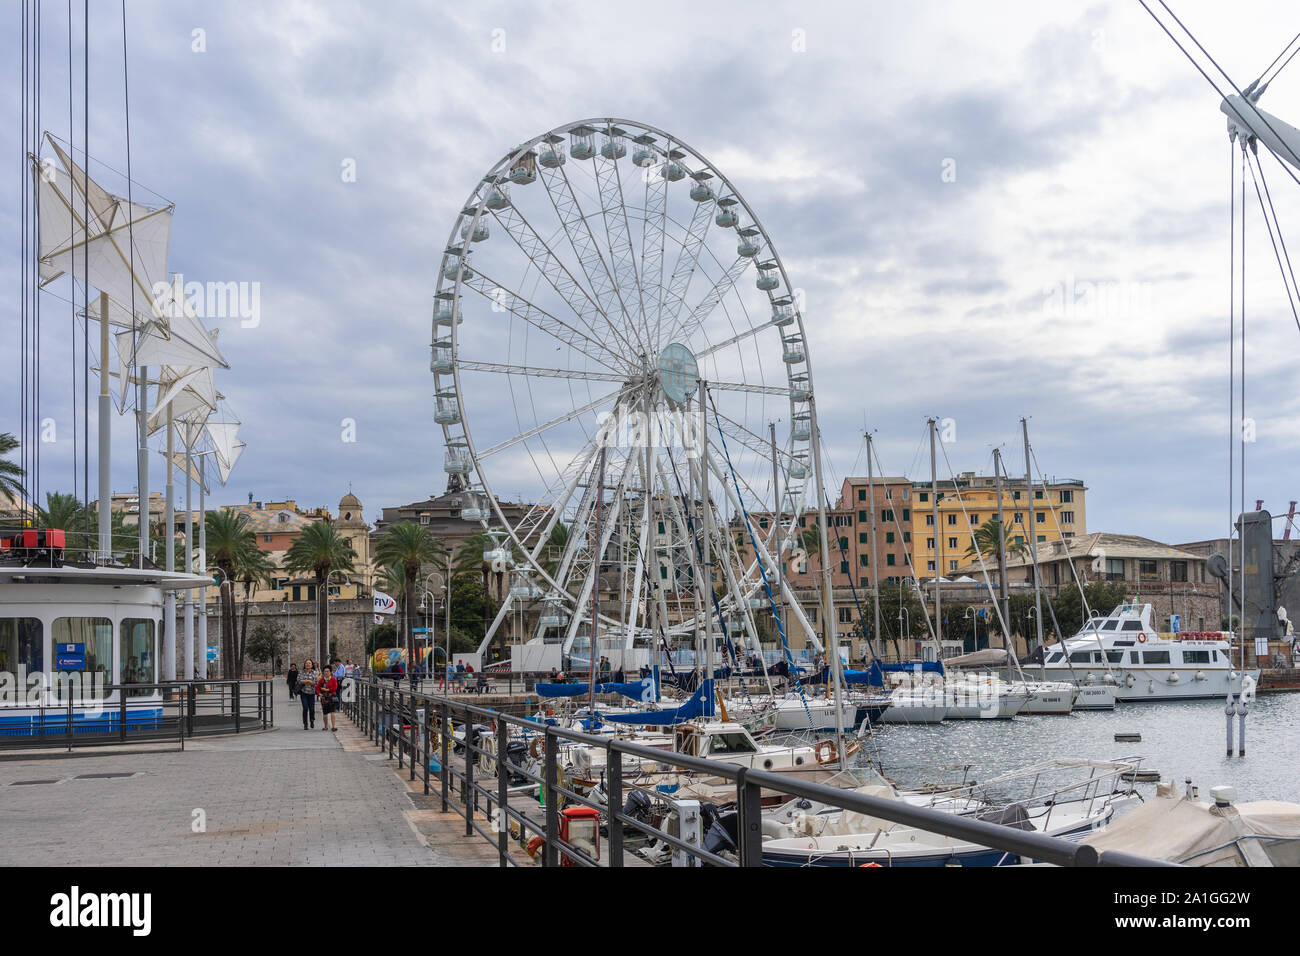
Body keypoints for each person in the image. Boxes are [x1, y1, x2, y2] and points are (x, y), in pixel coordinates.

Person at [317, 666, 339, 732]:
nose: (326, 673)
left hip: (332, 697)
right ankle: (326, 726)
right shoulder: (321, 680)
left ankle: (333, 726)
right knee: (325, 712)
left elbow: (335, 688)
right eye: (325, 671)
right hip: (324, 698)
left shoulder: (333, 679)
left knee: (333, 711)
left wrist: (326, 689)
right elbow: (317, 688)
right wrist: (319, 694)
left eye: (328, 671)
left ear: (331, 672)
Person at [298, 659, 318, 729]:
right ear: (304, 664)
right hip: (304, 692)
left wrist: (308, 682)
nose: (308, 664)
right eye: (306, 663)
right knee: (305, 708)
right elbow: (299, 680)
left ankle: (312, 720)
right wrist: (308, 681)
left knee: (312, 709)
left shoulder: (314, 673)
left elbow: (316, 682)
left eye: (309, 663)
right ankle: (305, 723)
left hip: (312, 693)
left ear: (312, 665)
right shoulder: (301, 672)